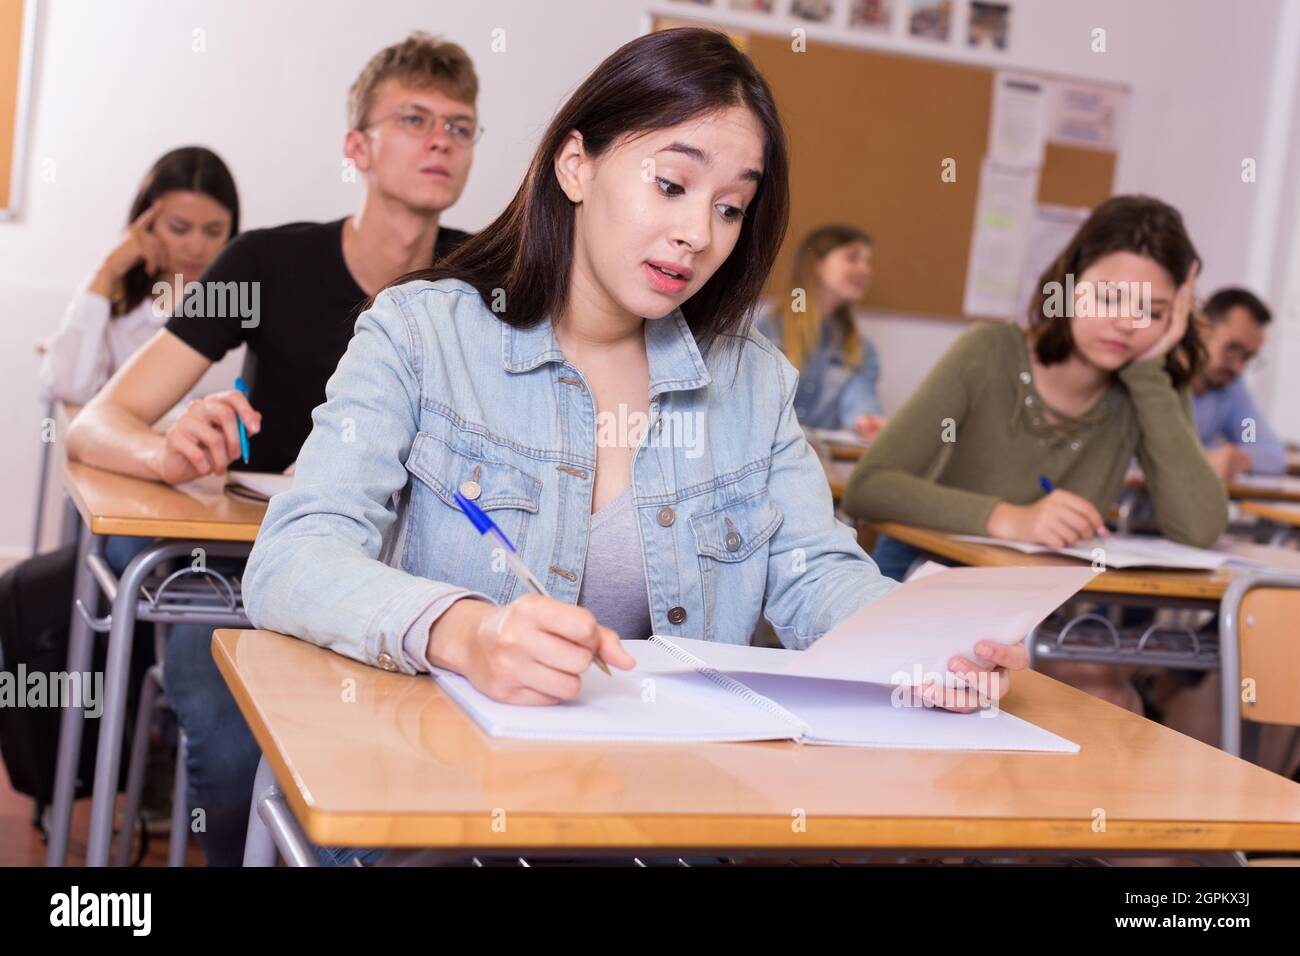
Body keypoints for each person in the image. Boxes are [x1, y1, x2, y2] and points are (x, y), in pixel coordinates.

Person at [242, 28, 1029, 865]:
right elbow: (292, 557)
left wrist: (918, 640)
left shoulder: (750, 378)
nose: (699, 233)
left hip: (655, 815)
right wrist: (464, 634)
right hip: (424, 807)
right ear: (575, 165)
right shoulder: (420, 332)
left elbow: (813, 573)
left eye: (731, 207)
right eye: (672, 183)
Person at [63, 32, 480, 865]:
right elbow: (96, 422)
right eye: (415, 118)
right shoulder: (268, 262)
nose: (441, 140)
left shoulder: (483, 280)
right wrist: (166, 454)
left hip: (411, 577)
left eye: (462, 127)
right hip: (245, 566)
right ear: (356, 147)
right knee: (226, 742)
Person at [842, 195, 1228, 711]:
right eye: (1109, 298)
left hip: (1032, 609)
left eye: (1152, 312)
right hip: (925, 585)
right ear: (1069, 284)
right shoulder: (990, 351)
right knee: (1074, 690)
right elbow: (871, 486)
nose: (1126, 324)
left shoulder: (1150, 384)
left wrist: (1147, 375)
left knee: (1108, 695)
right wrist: (1010, 519)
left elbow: (1199, 527)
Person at [39, 146, 239, 407]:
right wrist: (106, 271)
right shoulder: (120, 300)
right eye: (180, 229)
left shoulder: (240, 302)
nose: (197, 247)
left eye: (213, 231)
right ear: (147, 222)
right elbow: (67, 387)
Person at [753, 224, 886, 439]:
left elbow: (859, 398)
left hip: (818, 463)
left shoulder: (862, 351)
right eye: (853, 258)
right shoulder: (762, 332)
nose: (865, 269)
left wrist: (866, 421)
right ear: (816, 264)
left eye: (868, 262)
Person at [1191, 287, 1287, 480]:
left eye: (1248, 357)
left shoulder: (1231, 391)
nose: (1238, 366)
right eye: (1232, 349)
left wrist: (1241, 458)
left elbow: (1267, 450)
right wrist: (1205, 456)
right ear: (1201, 329)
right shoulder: (1156, 378)